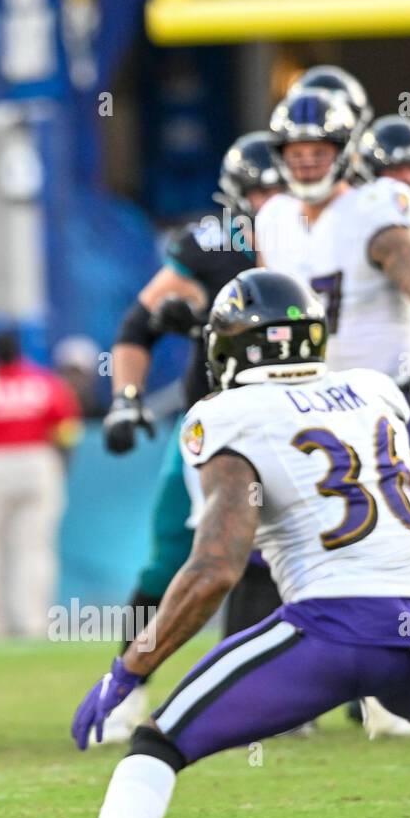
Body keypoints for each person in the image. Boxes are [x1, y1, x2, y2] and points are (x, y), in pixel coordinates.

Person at [74, 269, 410, 818]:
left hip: (334, 629)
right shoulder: (374, 392)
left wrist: (127, 671)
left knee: (157, 743)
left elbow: (214, 571)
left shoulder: (228, 414)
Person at [259, 87, 410, 737]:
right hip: (313, 413)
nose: (309, 161)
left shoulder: (376, 210)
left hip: (387, 408)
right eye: (298, 150)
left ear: (345, 154)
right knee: (318, 548)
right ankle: (367, 692)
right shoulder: (276, 219)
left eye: (321, 150)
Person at [98, 131, 285, 742]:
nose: (269, 200)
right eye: (257, 190)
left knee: (294, 554)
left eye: (276, 188)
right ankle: (126, 685)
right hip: (214, 419)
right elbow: (138, 323)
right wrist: (126, 400)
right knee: (169, 560)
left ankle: (356, 696)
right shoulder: (212, 241)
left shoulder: (333, 233)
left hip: (300, 416)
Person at [0, 331, 80, 638]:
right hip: (36, 460)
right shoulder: (45, 382)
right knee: (35, 549)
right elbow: (67, 431)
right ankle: (34, 625)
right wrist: (60, 468)